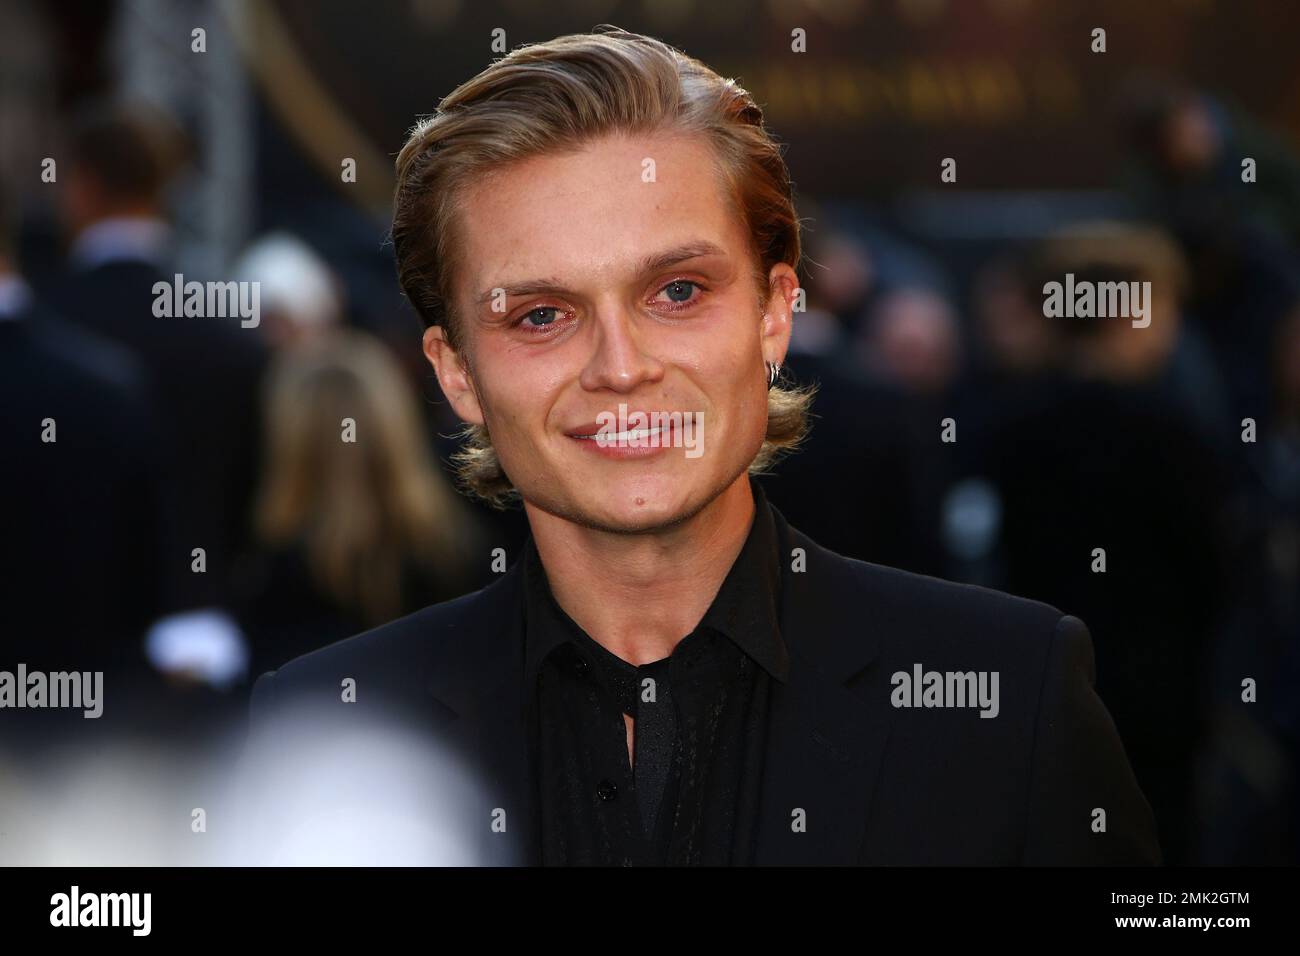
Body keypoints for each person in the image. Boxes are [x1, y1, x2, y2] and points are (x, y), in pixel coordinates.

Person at [247, 27, 1159, 866]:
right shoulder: (328, 732)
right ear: (456, 374)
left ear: (773, 314)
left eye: (676, 292)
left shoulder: (1007, 696)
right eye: (541, 315)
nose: (621, 366)